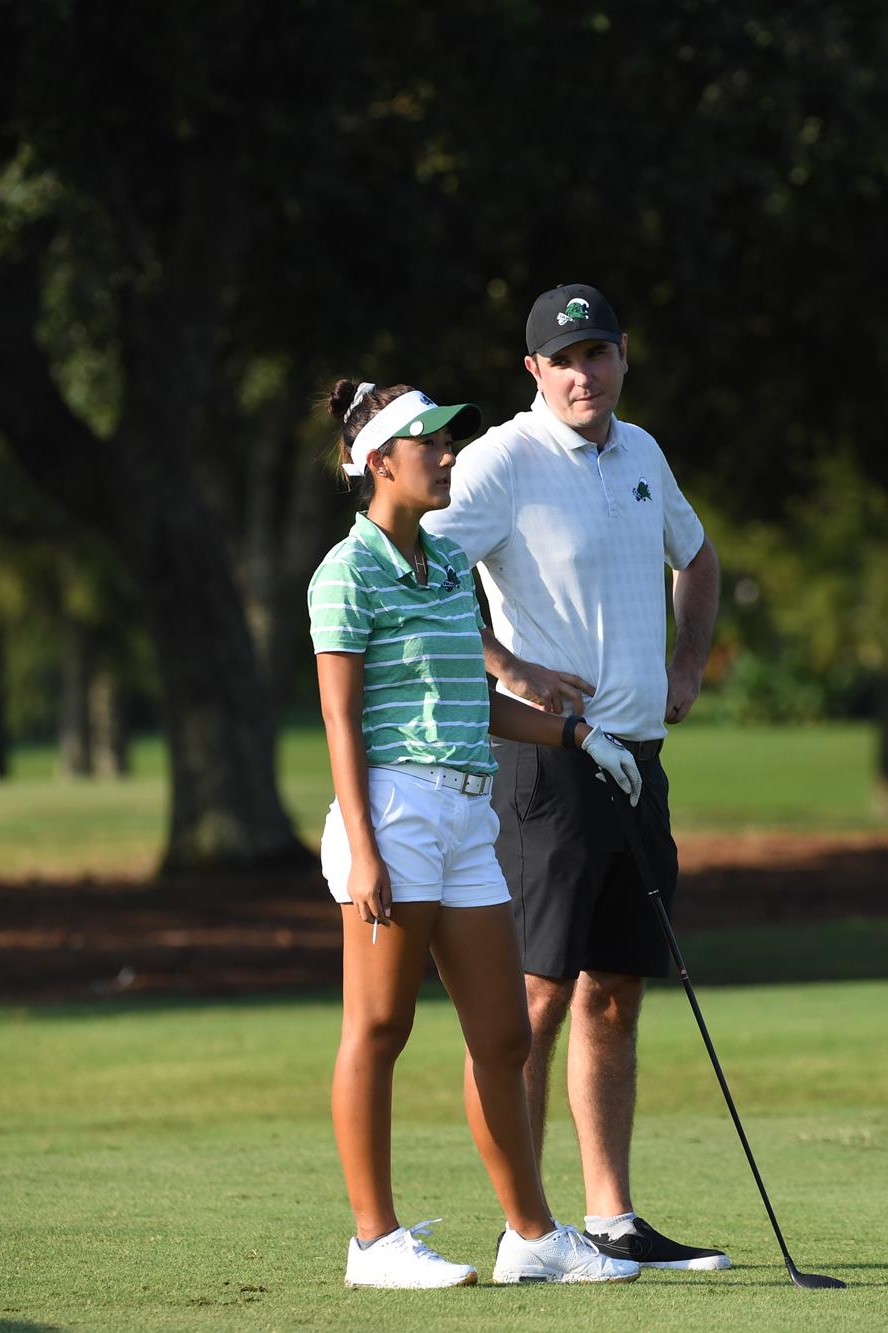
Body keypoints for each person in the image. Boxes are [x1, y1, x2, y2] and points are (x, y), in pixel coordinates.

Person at [307, 378, 650, 1290]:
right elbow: (340, 720)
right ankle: (373, 1242)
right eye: (433, 444)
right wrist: (367, 852)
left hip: (466, 813)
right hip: (390, 808)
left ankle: (532, 1235)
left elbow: (477, 701)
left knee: (502, 1037)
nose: (450, 455)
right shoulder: (346, 574)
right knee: (379, 1025)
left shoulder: (453, 570)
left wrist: (579, 735)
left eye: (451, 442)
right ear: (381, 460)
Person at [422, 285, 729, 1271]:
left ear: (622, 356)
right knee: (532, 1003)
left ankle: (608, 1220)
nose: (582, 372)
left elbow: (699, 559)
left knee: (613, 995)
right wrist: (506, 669)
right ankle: (529, 1230)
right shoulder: (502, 461)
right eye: (564, 358)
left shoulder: (640, 452)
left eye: (596, 353)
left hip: (637, 761)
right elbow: (417, 574)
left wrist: (686, 668)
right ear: (533, 371)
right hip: (544, 767)